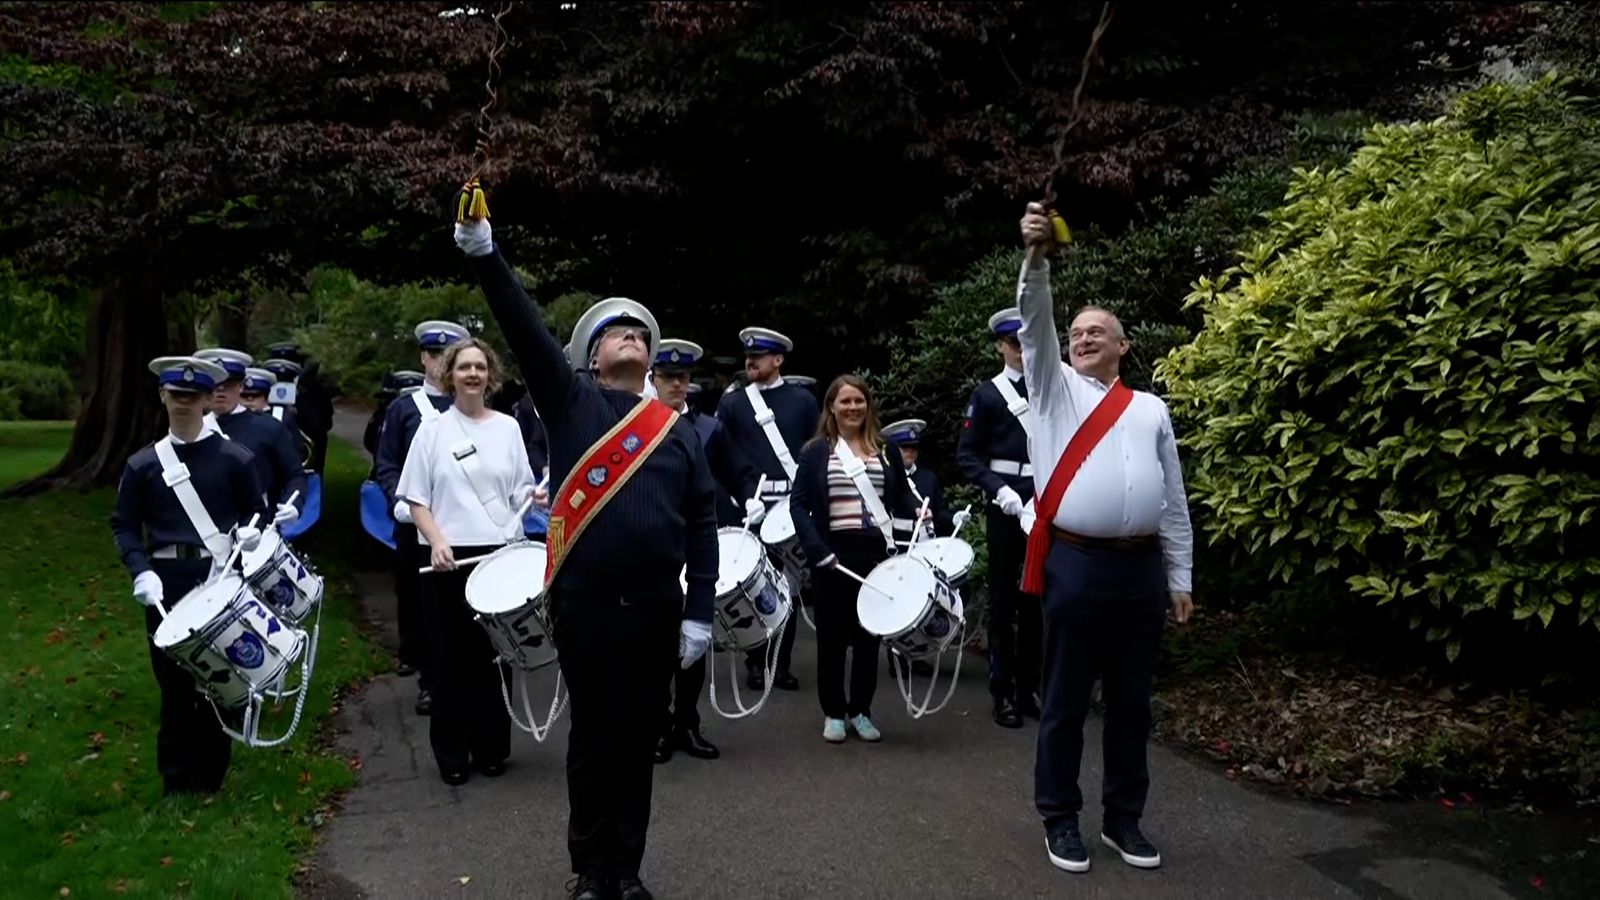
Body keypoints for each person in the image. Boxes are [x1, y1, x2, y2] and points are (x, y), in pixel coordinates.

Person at [455, 212, 717, 900]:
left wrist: (700, 613)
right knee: (594, 738)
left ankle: (626, 870)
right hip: (587, 606)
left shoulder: (677, 432)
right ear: (591, 358)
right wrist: (486, 255)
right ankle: (590, 869)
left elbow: (703, 524)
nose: (630, 334)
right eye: (614, 331)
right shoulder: (570, 402)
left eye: (639, 332)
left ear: (650, 359)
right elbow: (523, 328)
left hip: (657, 609)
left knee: (638, 741)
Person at [1016, 202, 1194, 874]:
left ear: (1124, 346)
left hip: (1141, 570)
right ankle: (1060, 819)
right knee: (1065, 701)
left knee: (1131, 705)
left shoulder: (1151, 408)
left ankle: (1123, 819)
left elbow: (1173, 499)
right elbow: (1034, 321)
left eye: (1098, 332)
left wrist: (1179, 577)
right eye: (1077, 332)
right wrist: (1036, 261)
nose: (1083, 338)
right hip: (1078, 564)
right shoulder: (1053, 391)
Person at [110, 356, 267, 796]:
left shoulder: (235, 459)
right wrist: (140, 570)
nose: (184, 404)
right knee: (173, 683)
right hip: (166, 581)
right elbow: (124, 524)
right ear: (163, 396)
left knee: (218, 681)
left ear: (207, 400)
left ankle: (211, 775)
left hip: (218, 578)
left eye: (193, 396)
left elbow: (257, 510)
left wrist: (252, 533)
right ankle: (175, 779)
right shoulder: (142, 465)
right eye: (176, 395)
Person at [396, 338, 538, 785]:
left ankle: (492, 748)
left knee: (494, 658)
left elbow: (519, 490)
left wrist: (533, 496)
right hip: (446, 562)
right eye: (464, 367)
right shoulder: (432, 431)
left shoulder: (508, 428)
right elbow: (415, 498)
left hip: (499, 558)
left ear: (490, 375)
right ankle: (452, 755)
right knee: (448, 659)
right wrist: (437, 542)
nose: (472, 374)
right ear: (450, 376)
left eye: (480, 366)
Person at [649, 339, 766, 765]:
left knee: (694, 638)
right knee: (655, 641)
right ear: (653, 379)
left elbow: (740, 470)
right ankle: (657, 725)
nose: (677, 385)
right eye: (668, 377)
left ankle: (687, 723)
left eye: (683, 377)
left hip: (698, 545)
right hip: (654, 547)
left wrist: (749, 496)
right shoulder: (637, 426)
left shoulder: (709, 430)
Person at [790, 374, 920, 745]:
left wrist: (919, 511)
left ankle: (861, 710)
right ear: (831, 407)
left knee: (869, 638)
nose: (852, 407)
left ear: (868, 405)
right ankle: (833, 712)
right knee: (831, 638)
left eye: (859, 401)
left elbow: (900, 496)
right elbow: (798, 505)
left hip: (875, 553)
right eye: (845, 401)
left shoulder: (885, 449)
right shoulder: (816, 451)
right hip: (831, 554)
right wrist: (817, 550)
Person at [715, 326, 819, 692]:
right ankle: (757, 661)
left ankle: (781, 663)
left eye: (758, 356)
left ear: (778, 360)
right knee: (755, 587)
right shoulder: (733, 403)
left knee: (788, 587)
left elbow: (816, 452)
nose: (751, 361)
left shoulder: (803, 401)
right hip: (749, 507)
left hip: (791, 507)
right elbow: (720, 456)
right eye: (748, 356)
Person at [375, 321, 469, 712]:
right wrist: (399, 501)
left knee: (464, 608)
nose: (440, 362)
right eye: (434, 354)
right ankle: (430, 681)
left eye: (449, 356)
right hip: (415, 528)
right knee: (421, 606)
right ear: (423, 358)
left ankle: (464, 681)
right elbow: (386, 464)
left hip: (464, 526)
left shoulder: (473, 407)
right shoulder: (402, 409)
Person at [955, 307, 1042, 729]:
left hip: (1043, 502)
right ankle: (1002, 691)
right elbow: (967, 455)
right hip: (1005, 505)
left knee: (1036, 601)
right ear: (1000, 347)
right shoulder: (987, 395)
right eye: (1013, 343)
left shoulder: (1050, 391)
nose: (1021, 351)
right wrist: (999, 490)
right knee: (1004, 600)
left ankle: (1029, 689)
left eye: (1027, 343)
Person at [195, 348, 306, 532]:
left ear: (240, 386)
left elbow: (295, 475)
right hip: (204, 532)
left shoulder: (269, 428)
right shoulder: (192, 429)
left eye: (228, 383)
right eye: (215, 382)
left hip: (257, 531)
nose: (220, 389)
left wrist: (294, 504)